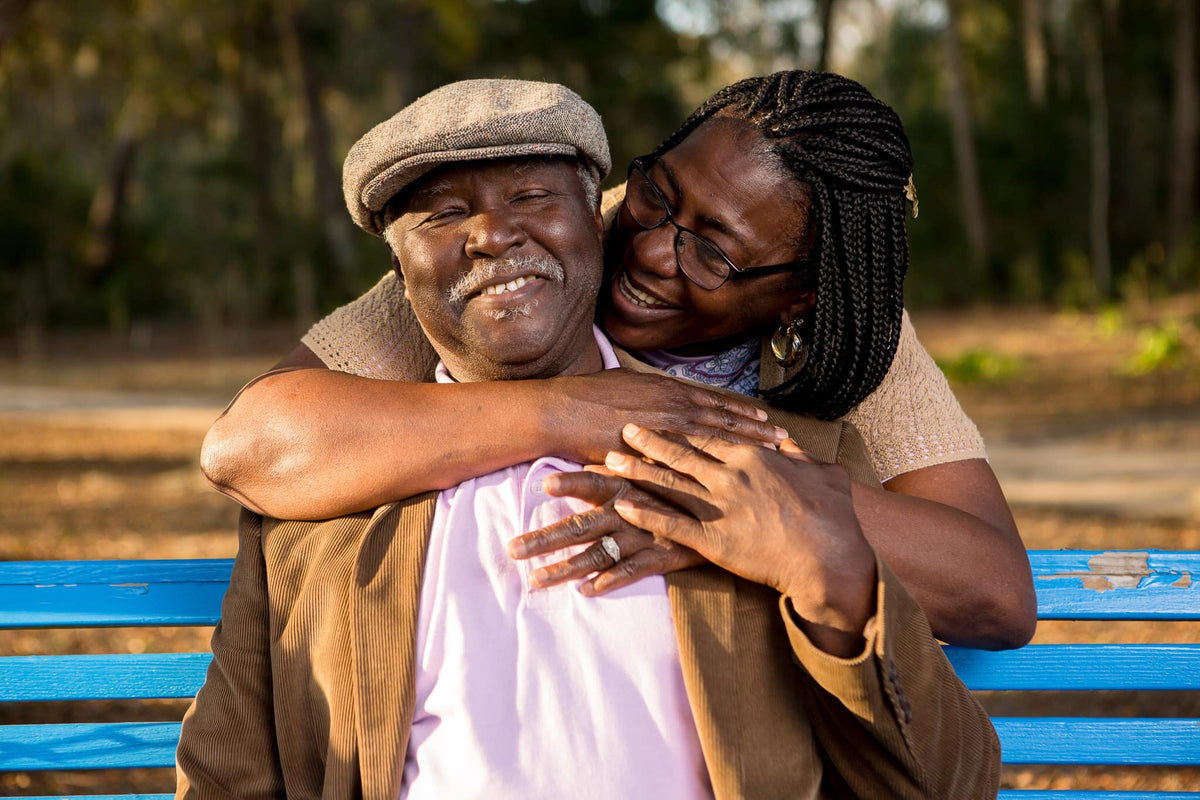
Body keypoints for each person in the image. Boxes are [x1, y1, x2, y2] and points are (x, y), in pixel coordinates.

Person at [175, 78, 1000, 799]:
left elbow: (988, 600)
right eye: (654, 198)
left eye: (712, 252)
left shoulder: (812, 413)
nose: (645, 250)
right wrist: (569, 410)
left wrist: (781, 526)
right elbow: (247, 445)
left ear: (800, 298)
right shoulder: (352, 476)